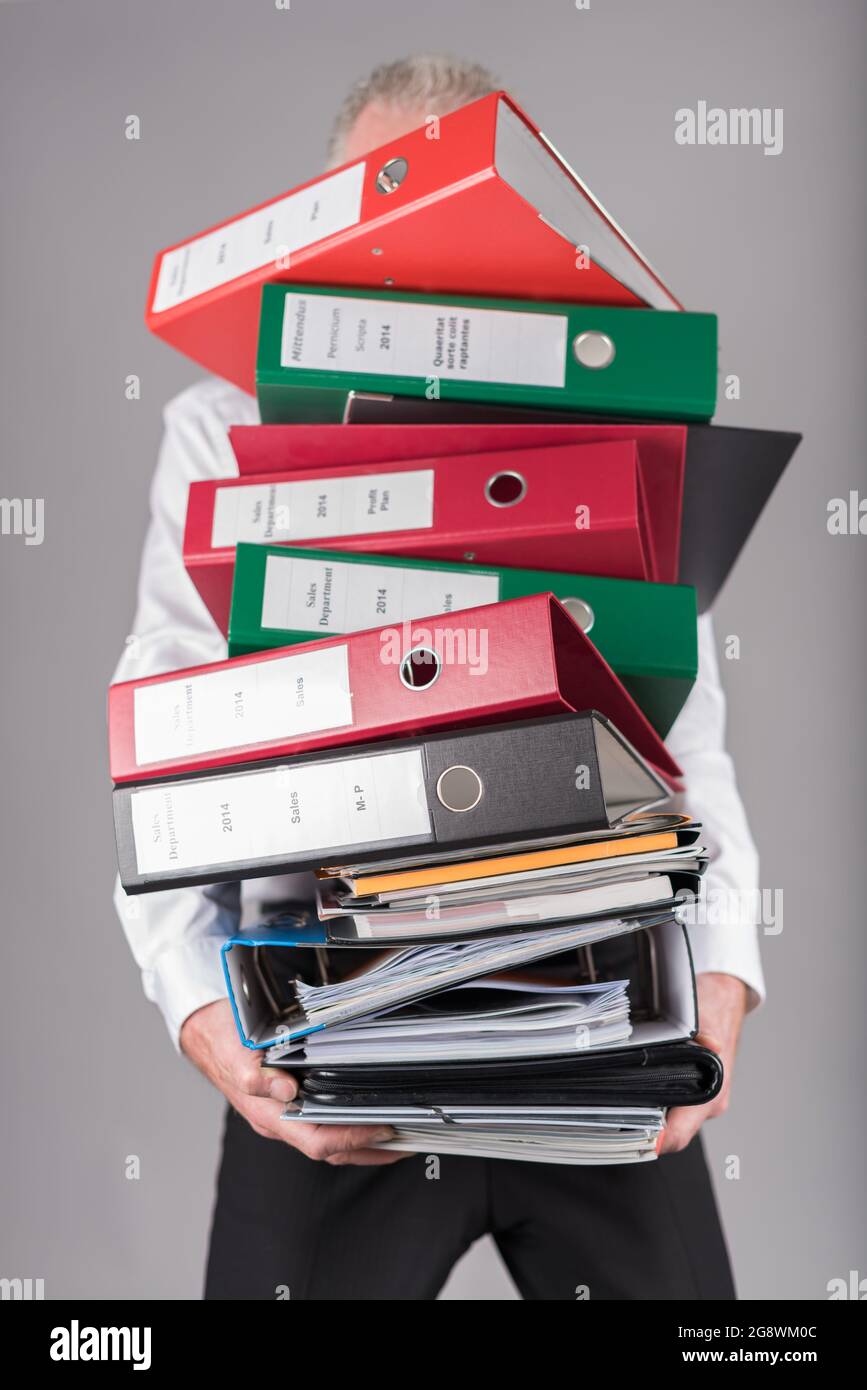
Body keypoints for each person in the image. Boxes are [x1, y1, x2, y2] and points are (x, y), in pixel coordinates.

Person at [113, 54, 764, 1300]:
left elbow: (695, 729)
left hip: (594, 1002)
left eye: (455, 216)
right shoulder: (219, 427)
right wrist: (209, 1019)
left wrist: (722, 978)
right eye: (382, 214)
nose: (415, 258)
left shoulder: (597, 414)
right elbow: (163, 739)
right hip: (330, 1023)